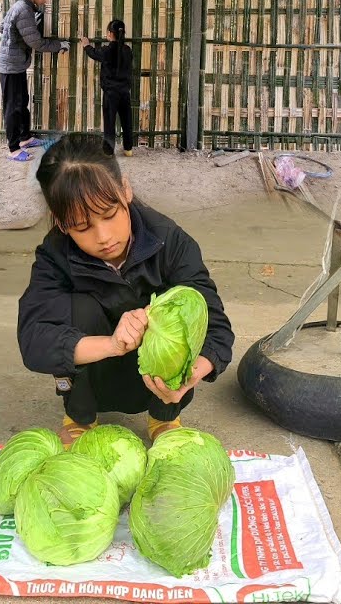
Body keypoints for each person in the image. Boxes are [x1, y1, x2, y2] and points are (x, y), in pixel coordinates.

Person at [16, 133, 235, 448]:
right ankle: (79, 419)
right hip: (93, 376)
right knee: (80, 307)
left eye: (109, 215)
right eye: (82, 227)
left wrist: (188, 378)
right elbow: (34, 340)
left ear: (126, 191)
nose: (104, 236)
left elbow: (217, 329)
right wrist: (113, 344)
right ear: (62, 224)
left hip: (159, 385)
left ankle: (164, 416)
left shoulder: (170, 241)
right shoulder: (54, 256)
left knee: (178, 310)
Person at [0, 0, 69, 162]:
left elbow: (2, 27)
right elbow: (36, 42)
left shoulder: (22, 7)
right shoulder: (23, 10)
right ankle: (13, 149)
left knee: (22, 102)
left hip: (15, 64)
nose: (45, 1)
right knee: (13, 108)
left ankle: (25, 138)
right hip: (11, 66)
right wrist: (59, 44)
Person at [80, 20, 135, 157]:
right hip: (125, 91)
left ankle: (108, 151)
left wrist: (86, 45)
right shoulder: (128, 50)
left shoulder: (107, 50)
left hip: (111, 93)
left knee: (109, 122)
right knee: (126, 120)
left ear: (110, 33)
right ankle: (128, 149)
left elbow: (93, 53)